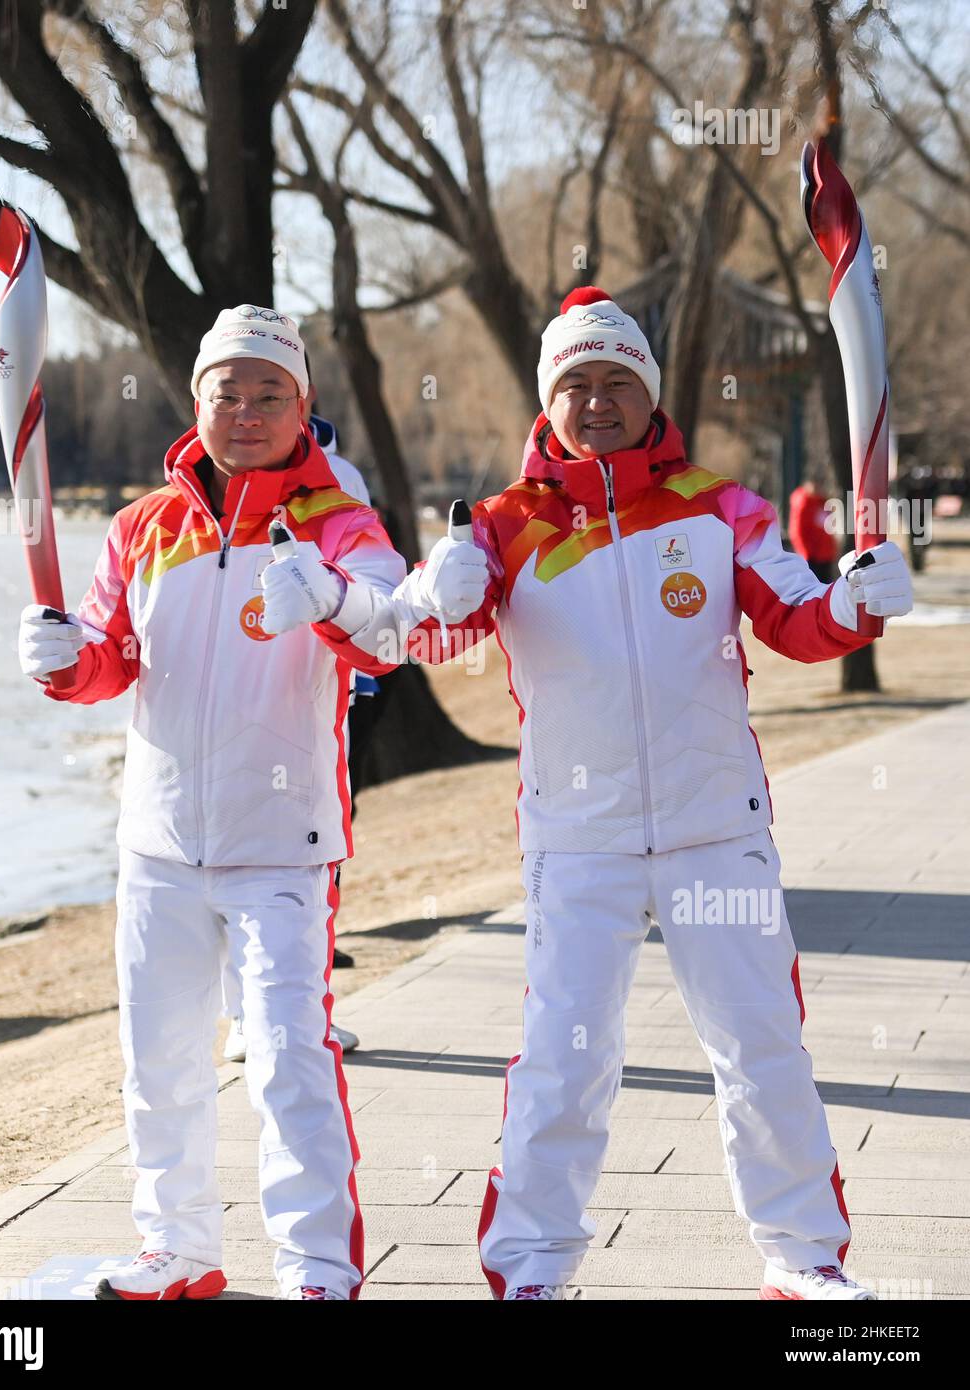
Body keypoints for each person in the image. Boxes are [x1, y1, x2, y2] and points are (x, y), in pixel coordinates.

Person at [333, 286, 914, 1301]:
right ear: (548, 402)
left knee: (761, 1047)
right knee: (565, 1062)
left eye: (617, 382)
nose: (597, 402)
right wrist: (434, 591)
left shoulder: (719, 506)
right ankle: (532, 1269)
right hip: (580, 840)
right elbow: (412, 641)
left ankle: (802, 1258)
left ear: (648, 394)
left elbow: (797, 620)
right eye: (576, 384)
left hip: (712, 830)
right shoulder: (500, 527)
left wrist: (855, 603)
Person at [17, 305, 406, 1300]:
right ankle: (176, 1248)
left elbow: (393, 634)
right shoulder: (143, 527)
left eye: (267, 393)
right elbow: (111, 658)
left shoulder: (339, 520)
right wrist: (66, 663)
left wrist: (327, 596)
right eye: (225, 392)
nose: (245, 410)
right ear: (197, 402)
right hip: (158, 839)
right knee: (160, 1063)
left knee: (287, 1063)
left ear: (301, 406)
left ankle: (318, 1268)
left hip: (282, 843)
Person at [220, 372, 367, 1063]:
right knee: (227, 848)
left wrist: (360, 672)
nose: (256, 413)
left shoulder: (340, 478)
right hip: (236, 694)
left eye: (274, 396)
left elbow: (368, 589)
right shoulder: (221, 475)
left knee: (313, 849)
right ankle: (247, 1016)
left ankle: (291, 1009)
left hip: (315, 688)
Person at [788, 478, 838, 583]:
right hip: (812, 557)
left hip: (825, 554)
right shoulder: (804, 503)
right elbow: (797, 532)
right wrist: (806, 553)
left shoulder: (821, 502)